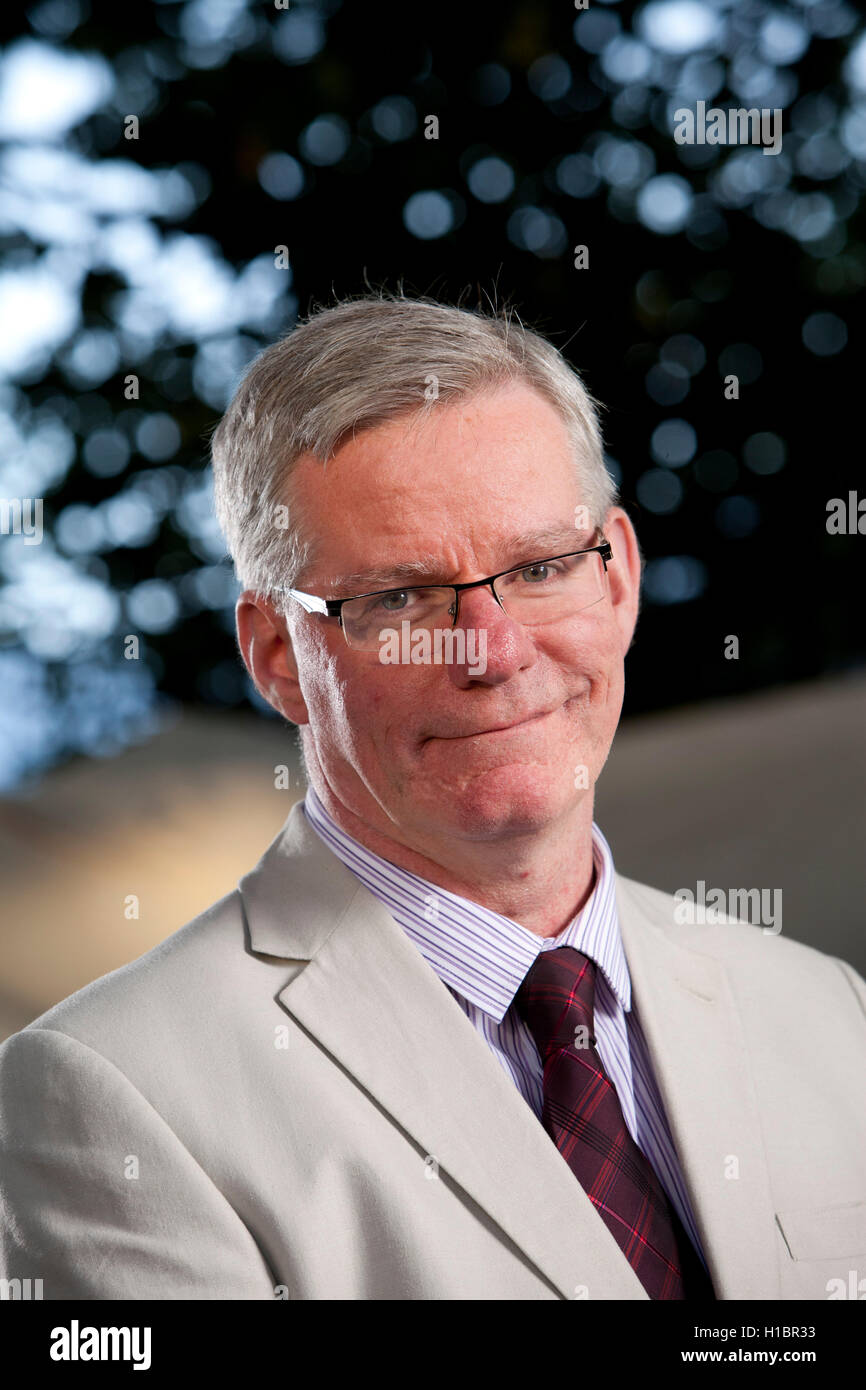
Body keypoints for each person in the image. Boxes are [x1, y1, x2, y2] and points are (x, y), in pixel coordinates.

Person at [1, 294, 863, 1301]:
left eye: (541, 566)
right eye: (399, 597)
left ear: (618, 578)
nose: (492, 654)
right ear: (277, 654)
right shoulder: (109, 1093)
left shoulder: (827, 1015)